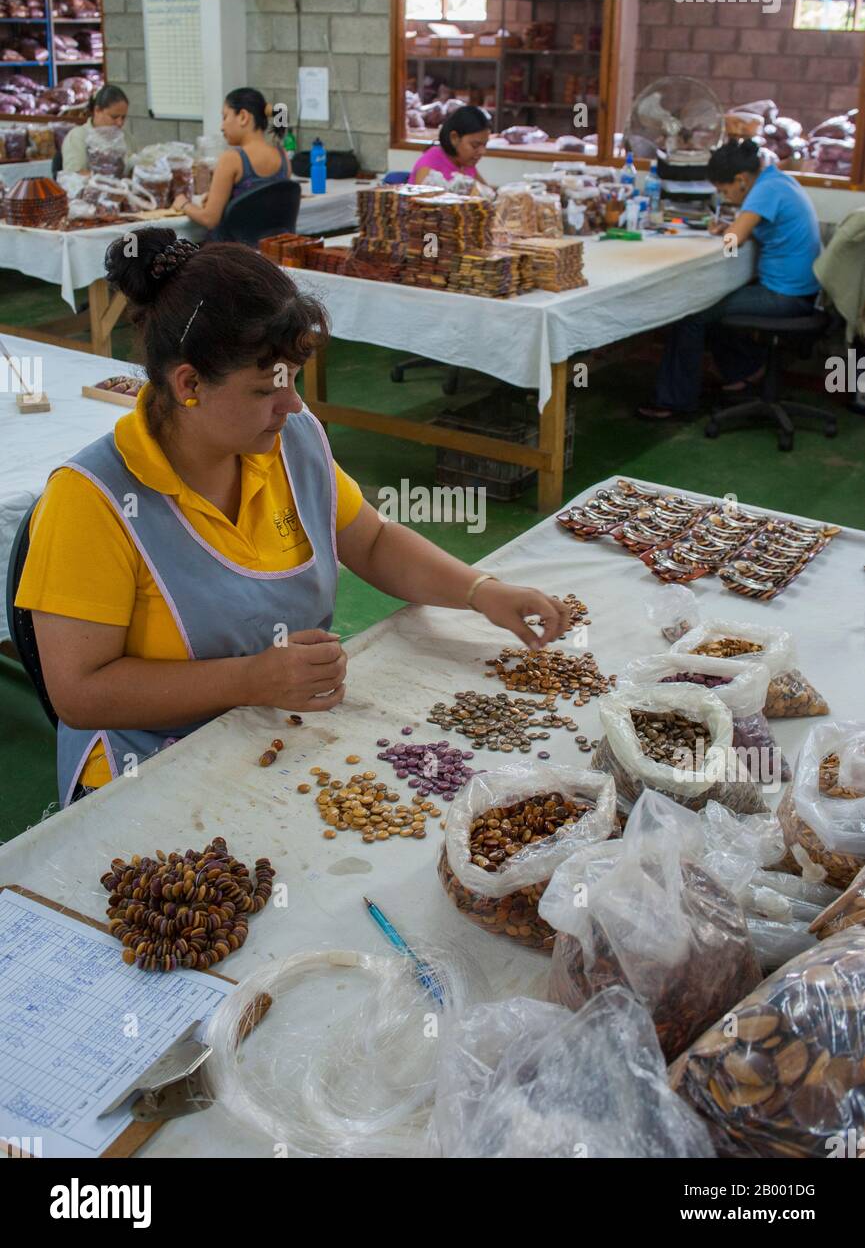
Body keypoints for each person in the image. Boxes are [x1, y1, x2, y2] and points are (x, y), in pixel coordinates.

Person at [16, 228, 568, 808]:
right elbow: (80, 693)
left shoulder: (290, 441)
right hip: (148, 770)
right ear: (189, 384)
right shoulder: (94, 500)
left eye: (294, 380)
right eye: (266, 390)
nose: (295, 405)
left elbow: (374, 542)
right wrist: (253, 679)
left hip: (276, 735)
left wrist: (481, 591)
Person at [638, 139, 821, 420]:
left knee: (691, 313)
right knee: (712, 305)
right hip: (802, 292)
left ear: (741, 180)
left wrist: (729, 232)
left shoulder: (765, 190)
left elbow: (733, 244)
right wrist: (731, 227)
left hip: (786, 296)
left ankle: (673, 401)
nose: (724, 198)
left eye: (724, 191)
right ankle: (747, 368)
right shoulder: (777, 180)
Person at [173, 87, 290, 238]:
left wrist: (183, 204)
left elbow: (209, 219)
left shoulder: (232, 159)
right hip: (268, 251)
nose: (222, 127)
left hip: (234, 255)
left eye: (225, 117)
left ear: (243, 117)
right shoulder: (283, 157)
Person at [408, 105, 491, 186]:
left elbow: (488, 194)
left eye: (484, 145)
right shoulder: (430, 164)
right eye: (475, 145)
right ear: (454, 138)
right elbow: (422, 198)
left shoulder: (466, 164)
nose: (482, 151)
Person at [60, 83, 131, 175]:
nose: (120, 123)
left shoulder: (125, 137)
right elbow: (74, 174)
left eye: (123, 117)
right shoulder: (78, 137)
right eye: (114, 117)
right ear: (97, 110)